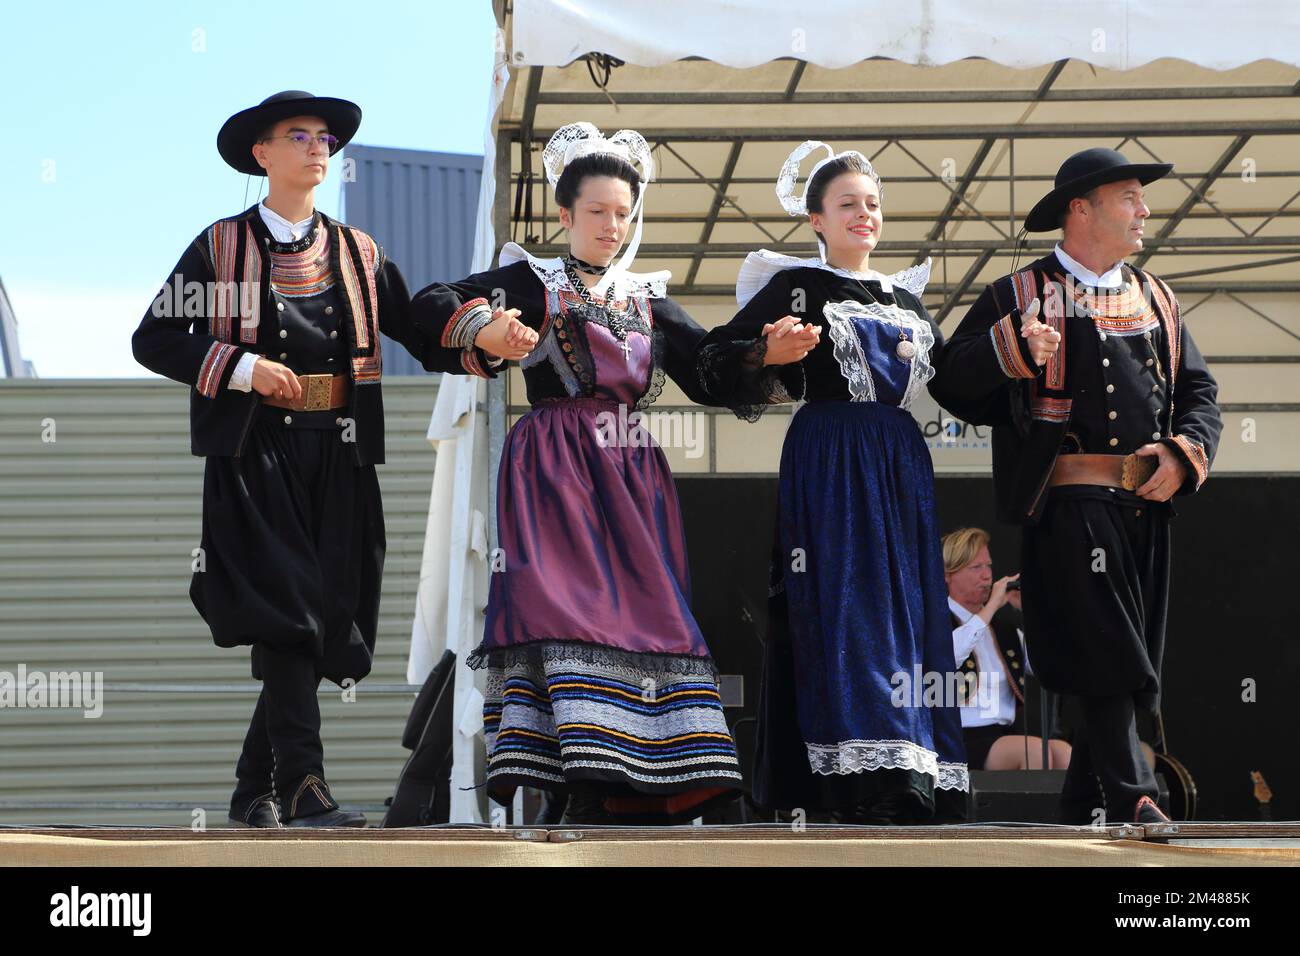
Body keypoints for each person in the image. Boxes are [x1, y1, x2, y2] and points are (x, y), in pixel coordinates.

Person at [132, 91, 455, 828]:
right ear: (262, 155)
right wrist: (244, 370)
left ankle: (253, 791)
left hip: (340, 451)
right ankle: (306, 788)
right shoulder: (219, 246)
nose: (318, 146)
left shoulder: (358, 251)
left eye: (326, 138)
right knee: (287, 613)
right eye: (299, 135)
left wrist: (482, 331)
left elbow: (420, 327)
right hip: (256, 450)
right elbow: (153, 339)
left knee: (319, 620)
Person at [408, 123, 742, 824]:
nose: (612, 226)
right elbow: (429, 302)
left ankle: (630, 782)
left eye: (623, 213)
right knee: (560, 608)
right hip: (554, 468)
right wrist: (485, 329)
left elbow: (712, 369)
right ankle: (573, 777)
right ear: (565, 215)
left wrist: (766, 350)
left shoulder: (645, 297)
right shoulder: (532, 281)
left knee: (644, 613)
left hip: (628, 471)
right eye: (597, 211)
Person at [931, 147, 1223, 824]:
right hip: (1068, 503)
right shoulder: (1020, 293)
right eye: (1129, 196)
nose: (1144, 210)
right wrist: (1011, 349)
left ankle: (1077, 799)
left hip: (1145, 507)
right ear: (1080, 209)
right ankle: (1133, 789)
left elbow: (1200, 394)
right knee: (1114, 644)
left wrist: (1183, 456)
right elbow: (950, 380)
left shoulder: (1157, 296)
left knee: (1123, 647)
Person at [696, 142, 970, 824]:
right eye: (847, 204)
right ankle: (865, 773)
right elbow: (711, 361)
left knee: (905, 610)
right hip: (833, 459)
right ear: (816, 220)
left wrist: (1021, 352)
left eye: (872, 203)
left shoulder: (906, 299)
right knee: (846, 605)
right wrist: (767, 351)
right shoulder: (801, 289)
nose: (864, 214)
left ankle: (916, 760)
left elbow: (963, 382)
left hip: (900, 462)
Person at [942, 527, 1071, 771]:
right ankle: (1029, 811)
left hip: (1006, 735)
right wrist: (991, 607)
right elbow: (946, 658)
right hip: (959, 738)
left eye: (988, 566)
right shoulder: (936, 621)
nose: (987, 576)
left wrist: (1032, 615)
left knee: (1064, 753)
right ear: (948, 574)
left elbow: (1053, 667)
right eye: (975, 568)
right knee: (1034, 750)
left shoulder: (1005, 631)